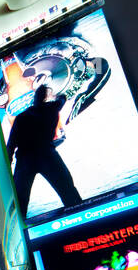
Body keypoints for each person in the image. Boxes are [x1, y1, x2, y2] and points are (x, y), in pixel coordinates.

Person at [9, 84, 83, 213]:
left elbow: (11, 144)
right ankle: (81, 215)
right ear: (46, 97)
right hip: (47, 156)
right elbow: (62, 98)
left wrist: (8, 164)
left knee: (19, 202)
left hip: (25, 160)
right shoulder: (52, 108)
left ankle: (19, 224)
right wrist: (58, 95)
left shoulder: (21, 117)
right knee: (68, 191)